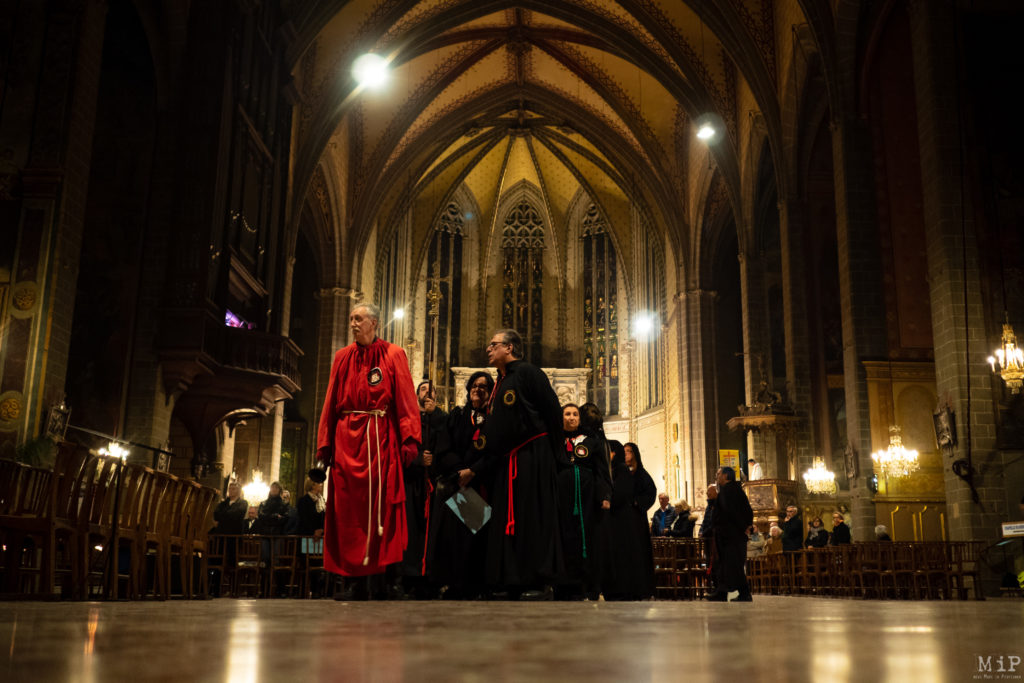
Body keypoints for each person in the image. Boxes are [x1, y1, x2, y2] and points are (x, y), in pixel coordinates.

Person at [316, 302, 422, 600]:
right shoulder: (341, 357)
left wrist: (410, 439)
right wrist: (324, 443)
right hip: (346, 441)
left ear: (374, 323)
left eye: (358, 318)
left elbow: (405, 399)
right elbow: (330, 400)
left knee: (383, 508)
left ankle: (386, 581)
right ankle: (354, 582)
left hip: (380, 439)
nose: (353, 323)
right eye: (351, 318)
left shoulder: (394, 354)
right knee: (347, 512)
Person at [464, 329, 563, 600]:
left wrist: (553, 457)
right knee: (510, 521)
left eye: (493, 344)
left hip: (533, 456)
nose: (488, 349)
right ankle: (512, 580)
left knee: (532, 518)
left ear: (509, 348)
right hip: (509, 460)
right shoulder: (501, 381)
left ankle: (538, 581)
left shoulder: (529, 373)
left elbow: (553, 413)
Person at [426, 371, 493, 599]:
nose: (478, 389)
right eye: (474, 385)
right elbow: (444, 447)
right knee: (455, 538)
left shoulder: (494, 419)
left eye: (483, 386)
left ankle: (477, 586)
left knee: (479, 538)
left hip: (482, 482)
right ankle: (456, 585)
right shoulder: (458, 416)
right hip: (458, 484)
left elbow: (496, 450)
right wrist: (460, 471)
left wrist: (474, 471)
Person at [397, 380, 449, 599]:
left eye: (431, 390)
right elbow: (401, 445)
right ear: (416, 394)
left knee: (433, 532)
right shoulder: (409, 419)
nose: (428, 393)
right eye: (423, 389)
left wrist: (433, 415)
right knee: (412, 532)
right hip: (412, 482)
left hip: (434, 482)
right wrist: (418, 459)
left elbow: (447, 443)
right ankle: (410, 578)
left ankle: (431, 579)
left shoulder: (442, 418)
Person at [554, 402, 612, 600]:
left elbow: (601, 470)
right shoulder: (554, 440)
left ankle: (586, 585)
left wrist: (604, 495)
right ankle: (563, 586)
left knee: (586, 538)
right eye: (567, 414)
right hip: (561, 495)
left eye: (575, 414)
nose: (571, 417)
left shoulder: (591, 441)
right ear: (561, 417)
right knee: (563, 536)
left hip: (586, 497)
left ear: (580, 418)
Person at [603, 440, 655, 600]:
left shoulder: (641, 474)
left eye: (629, 451)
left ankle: (641, 587)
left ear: (635, 454)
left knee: (638, 552)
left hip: (637, 519)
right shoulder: (620, 471)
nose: (626, 454)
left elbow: (650, 492)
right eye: (624, 451)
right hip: (623, 519)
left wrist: (637, 503)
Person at [705, 466, 754, 602]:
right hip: (730, 535)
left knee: (733, 566)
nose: (716, 476)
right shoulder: (733, 490)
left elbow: (730, 512)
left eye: (718, 474)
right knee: (726, 566)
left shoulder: (728, 491)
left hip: (731, 536)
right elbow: (746, 511)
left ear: (726, 476)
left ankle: (744, 593)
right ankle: (722, 592)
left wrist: (745, 527)